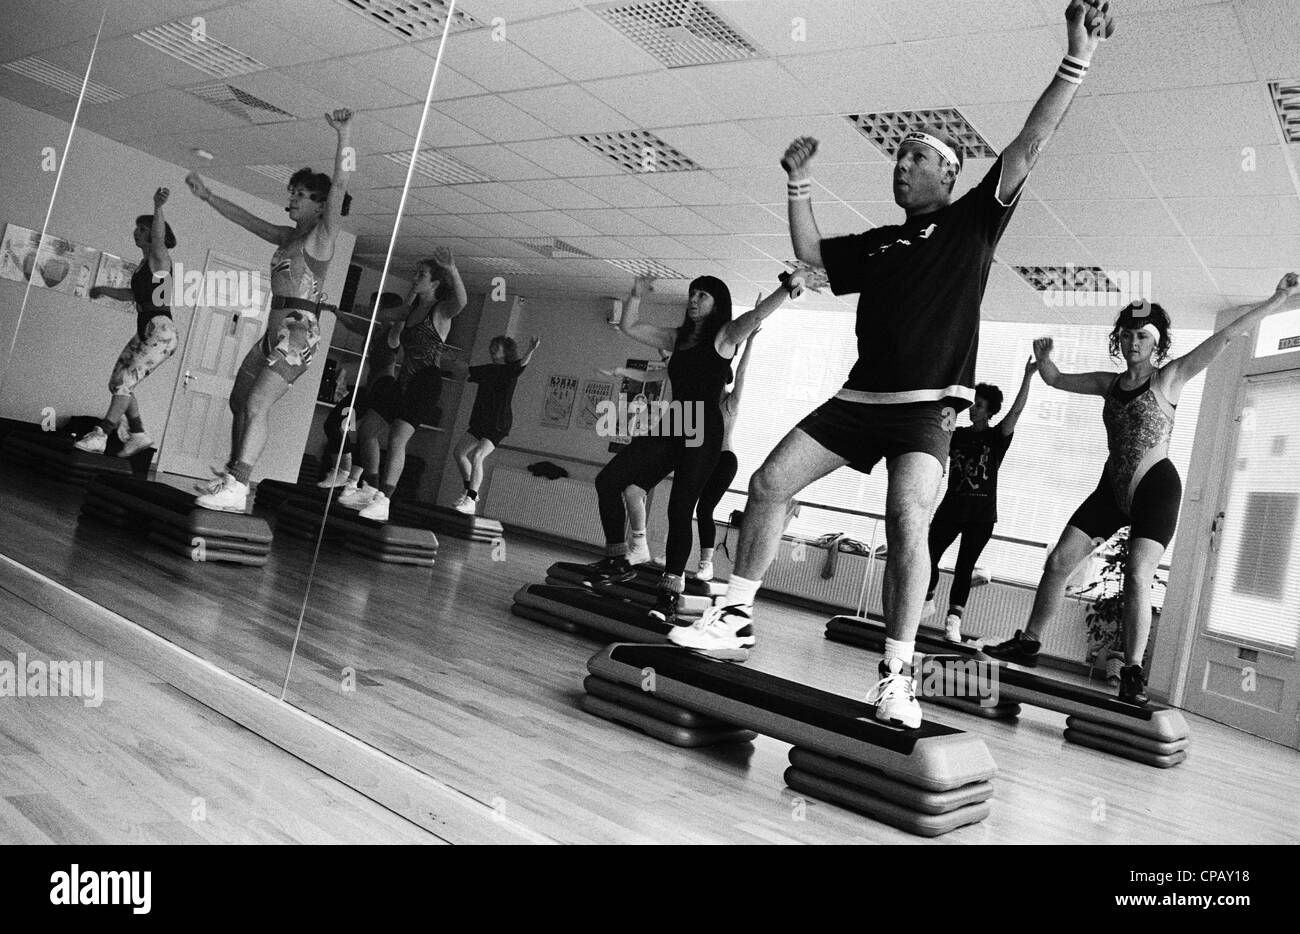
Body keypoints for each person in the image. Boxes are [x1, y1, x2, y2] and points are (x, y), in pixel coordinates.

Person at [670, 0, 1118, 729]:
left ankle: (898, 677)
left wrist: (1078, 56)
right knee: (769, 481)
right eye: (898, 157)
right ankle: (735, 615)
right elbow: (812, 257)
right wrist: (797, 183)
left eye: (916, 158)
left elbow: (1031, 143)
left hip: (925, 406)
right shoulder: (878, 244)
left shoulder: (974, 220)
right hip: (858, 399)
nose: (901, 166)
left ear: (949, 174)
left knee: (908, 520)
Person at [985, 274, 1300, 702]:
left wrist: (1277, 300)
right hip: (1111, 490)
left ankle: (1132, 670)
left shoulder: (1169, 378)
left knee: (1136, 575)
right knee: (1059, 561)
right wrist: (1041, 361)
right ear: (1120, 340)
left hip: (1156, 490)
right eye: (1128, 335)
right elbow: (1057, 379)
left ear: (1156, 344)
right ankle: (1030, 642)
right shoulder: (1107, 384)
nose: (1134, 342)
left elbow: (1226, 337)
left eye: (1143, 336)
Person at [585, 272, 805, 625]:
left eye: (702, 295)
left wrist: (786, 287)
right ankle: (617, 558)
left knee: (679, 508)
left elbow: (759, 314)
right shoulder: (677, 338)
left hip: (704, 429)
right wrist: (636, 294)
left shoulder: (725, 336)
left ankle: (670, 589)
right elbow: (630, 326)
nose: (693, 300)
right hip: (676, 421)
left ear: (717, 303)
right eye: (692, 294)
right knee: (608, 481)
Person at [185, 108, 355, 512]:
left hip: (298, 335)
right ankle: (231, 477)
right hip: (272, 333)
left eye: (299, 194)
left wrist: (344, 135)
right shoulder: (287, 237)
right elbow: (247, 220)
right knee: (238, 402)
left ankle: (239, 486)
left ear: (319, 205)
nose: (291, 200)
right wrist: (209, 197)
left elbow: (342, 182)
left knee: (258, 405)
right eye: (291, 193)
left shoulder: (322, 236)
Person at [338, 250, 467, 521]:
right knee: (367, 430)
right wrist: (339, 310)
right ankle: (370, 486)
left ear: (434, 283)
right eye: (416, 273)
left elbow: (462, 302)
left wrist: (453, 269)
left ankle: (383, 500)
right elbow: (377, 314)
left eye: (421, 275)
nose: (415, 278)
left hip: (426, 382)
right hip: (404, 379)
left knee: (397, 438)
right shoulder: (409, 311)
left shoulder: (441, 311)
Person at [923, 357, 1037, 642]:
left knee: (964, 566)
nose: (973, 409)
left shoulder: (997, 437)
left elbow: (1017, 410)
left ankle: (952, 623)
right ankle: (926, 597)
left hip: (981, 516)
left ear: (989, 411)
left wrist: (1028, 376)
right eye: (972, 404)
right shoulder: (956, 435)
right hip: (950, 510)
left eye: (979, 405)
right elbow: (943, 415)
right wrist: (954, 377)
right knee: (927, 556)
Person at [76, 187, 179, 457]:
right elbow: (133, 294)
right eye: (137, 228)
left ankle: (102, 434)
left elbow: (159, 237)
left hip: (161, 331)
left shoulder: (161, 259)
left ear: (156, 236)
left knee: (125, 382)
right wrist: (103, 289)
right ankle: (138, 433)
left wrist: (157, 206)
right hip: (146, 329)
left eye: (143, 229)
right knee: (117, 382)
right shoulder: (144, 265)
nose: (137, 232)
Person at [318, 291, 406, 489]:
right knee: (340, 426)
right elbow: (351, 324)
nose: (371, 310)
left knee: (349, 429)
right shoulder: (375, 329)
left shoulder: (393, 332)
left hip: (384, 389)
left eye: (375, 306)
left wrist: (411, 296)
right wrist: (334, 311)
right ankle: (349, 477)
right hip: (369, 388)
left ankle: (347, 473)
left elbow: (403, 316)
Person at [693, 328, 760, 581]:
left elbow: (741, 372)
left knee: (705, 509)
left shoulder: (730, 402)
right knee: (684, 503)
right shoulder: (702, 403)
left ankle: (705, 564)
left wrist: (749, 340)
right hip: (703, 459)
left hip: (723, 461)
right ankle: (673, 553)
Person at [450, 335, 540, 515]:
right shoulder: (487, 370)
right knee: (459, 453)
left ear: (505, 351)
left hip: (498, 423)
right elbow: (466, 371)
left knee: (477, 456)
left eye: (496, 346)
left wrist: (531, 349)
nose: (491, 349)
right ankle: (469, 491)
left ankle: (471, 499)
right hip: (480, 420)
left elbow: (522, 364)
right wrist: (451, 360)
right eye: (491, 346)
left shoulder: (510, 370)